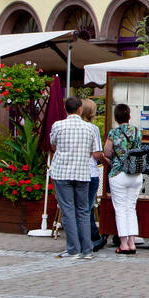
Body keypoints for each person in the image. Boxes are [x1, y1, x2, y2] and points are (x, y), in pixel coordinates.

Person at [49, 96, 104, 261]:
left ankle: (73, 249)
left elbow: (53, 144)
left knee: (68, 211)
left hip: (61, 172)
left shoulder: (58, 125)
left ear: (66, 109)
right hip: (82, 172)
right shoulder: (89, 128)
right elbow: (94, 151)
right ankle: (87, 249)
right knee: (83, 211)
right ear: (80, 109)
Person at [104, 103, 143, 254]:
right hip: (135, 173)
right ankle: (132, 242)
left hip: (118, 173)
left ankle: (124, 244)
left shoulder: (113, 133)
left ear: (115, 117)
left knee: (120, 208)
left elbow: (107, 152)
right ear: (129, 116)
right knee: (131, 208)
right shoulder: (137, 131)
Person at [79, 98, 106, 252]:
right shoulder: (92, 128)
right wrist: (104, 158)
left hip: (76, 171)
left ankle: (88, 237)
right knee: (87, 207)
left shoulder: (74, 126)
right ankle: (93, 238)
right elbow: (96, 153)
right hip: (90, 171)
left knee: (80, 207)